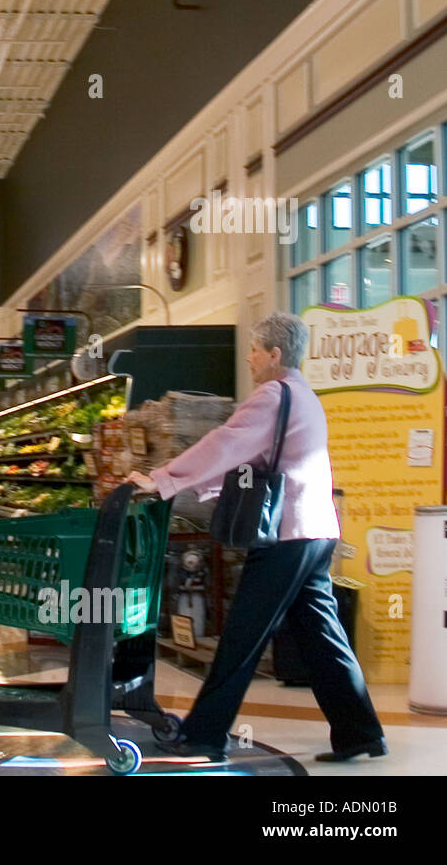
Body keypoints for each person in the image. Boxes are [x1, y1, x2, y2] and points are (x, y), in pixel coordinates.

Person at [126, 312, 386, 763]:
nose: (248, 358)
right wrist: (196, 485)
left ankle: (204, 735)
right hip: (317, 532)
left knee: (242, 636)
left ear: (274, 354)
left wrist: (163, 479)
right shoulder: (305, 397)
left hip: (286, 537)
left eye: (253, 349)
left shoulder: (272, 395)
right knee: (323, 636)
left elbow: (226, 443)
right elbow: (251, 459)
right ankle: (360, 730)